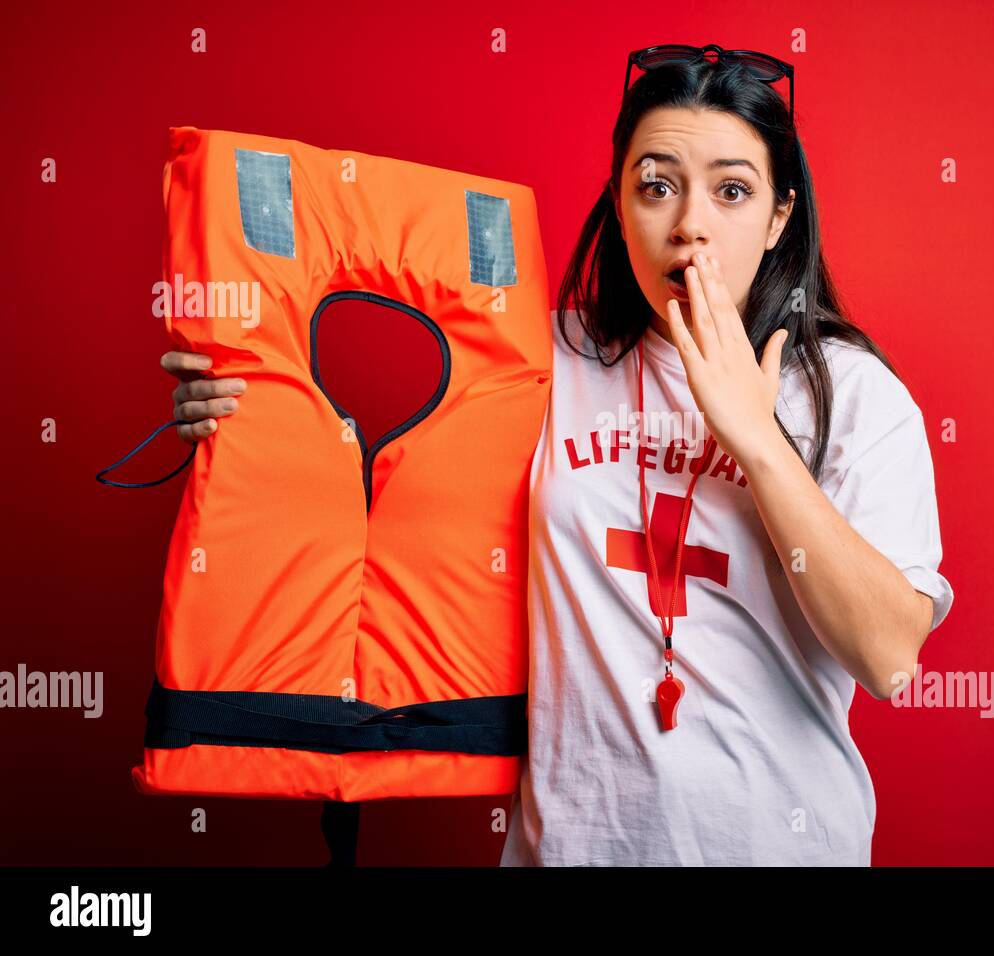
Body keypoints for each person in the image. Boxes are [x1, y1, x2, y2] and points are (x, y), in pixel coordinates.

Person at [160, 45, 953, 866]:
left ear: (779, 216)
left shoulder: (852, 395)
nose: (691, 222)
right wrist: (250, 415)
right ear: (617, 201)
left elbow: (890, 657)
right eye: (656, 184)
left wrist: (756, 437)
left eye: (732, 190)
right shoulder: (539, 362)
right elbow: (394, 495)